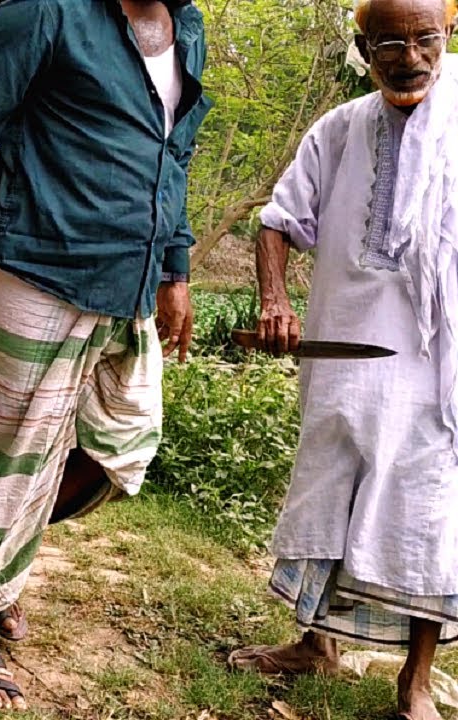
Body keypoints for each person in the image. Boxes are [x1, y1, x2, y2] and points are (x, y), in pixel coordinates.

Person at [0, 0, 212, 709]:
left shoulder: (186, 27)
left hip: (130, 280)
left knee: (121, 441)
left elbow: (173, 154)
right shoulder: (46, 11)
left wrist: (176, 270)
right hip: (37, 267)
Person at [227, 1, 458, 718]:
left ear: (448, 35)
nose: (412, 56)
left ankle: (414, 682)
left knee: (430, 507)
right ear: (363, 47)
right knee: (327, 489)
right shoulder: (338, 129)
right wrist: (274, 300)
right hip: (344, 347)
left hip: (438, 360)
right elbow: (277, 220)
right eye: (391, 41)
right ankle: (316, 646)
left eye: (428, 38)